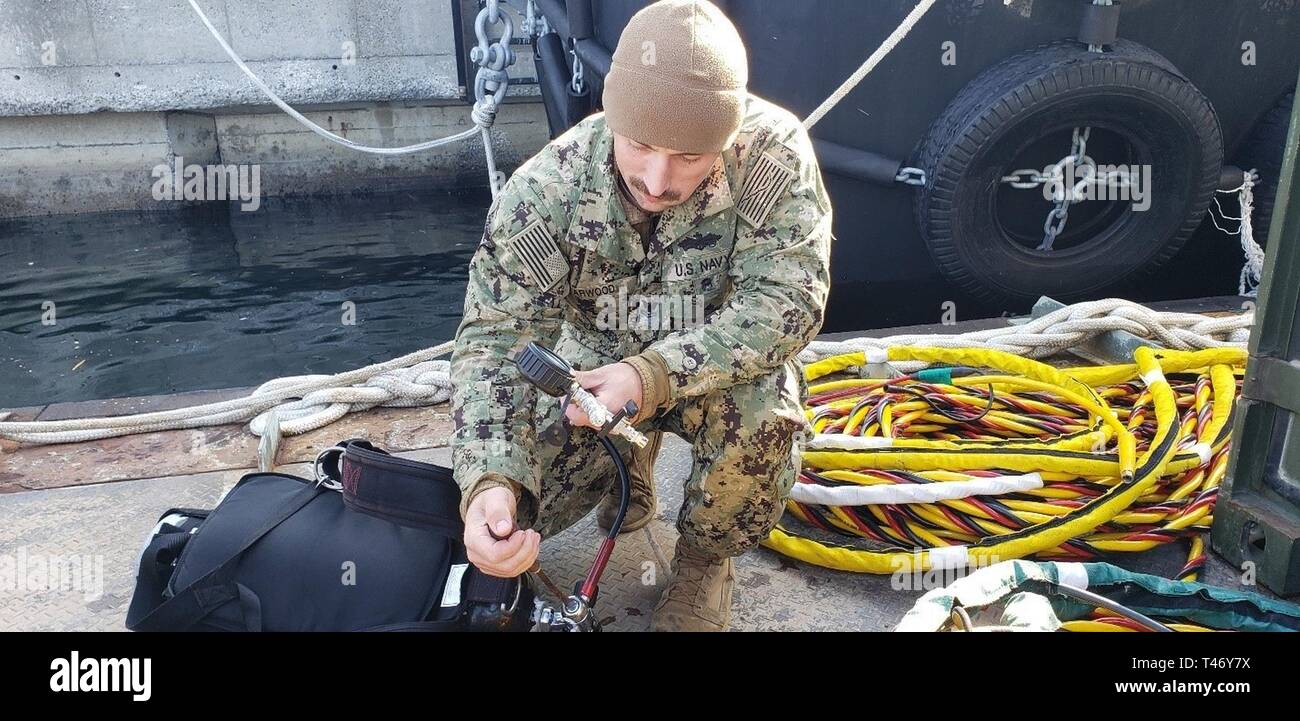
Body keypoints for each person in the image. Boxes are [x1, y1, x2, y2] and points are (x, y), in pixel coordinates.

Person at [450, 0, 832, 631]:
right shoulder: (547, 192)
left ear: (727, 138)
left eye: (689, 156)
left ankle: (705, 562)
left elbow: (789, 301)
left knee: (766, 422)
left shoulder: (773, 158)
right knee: (512, 513)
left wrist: (653, 375)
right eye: (642, 144)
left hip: (719, 372)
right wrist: (490, 480)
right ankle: (629, 462)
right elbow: (497, 342)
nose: (657, 179)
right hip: (593, 380)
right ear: (612, 115)